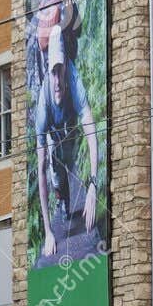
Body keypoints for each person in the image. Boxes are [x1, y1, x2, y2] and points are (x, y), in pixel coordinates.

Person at [34, 31, 100, 263]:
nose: (57, 79)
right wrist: (48, 232)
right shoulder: (43, 105)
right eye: (52, 71)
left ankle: (71, 191)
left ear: (65, 67)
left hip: (70, 122)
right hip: (53, 129)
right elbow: (39, 168)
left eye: (59, 70)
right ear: (48, 70)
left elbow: (92, 133)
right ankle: (61, 198)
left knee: (69, 158)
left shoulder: (74, 81)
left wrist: (93, 183)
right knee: (54, 172)